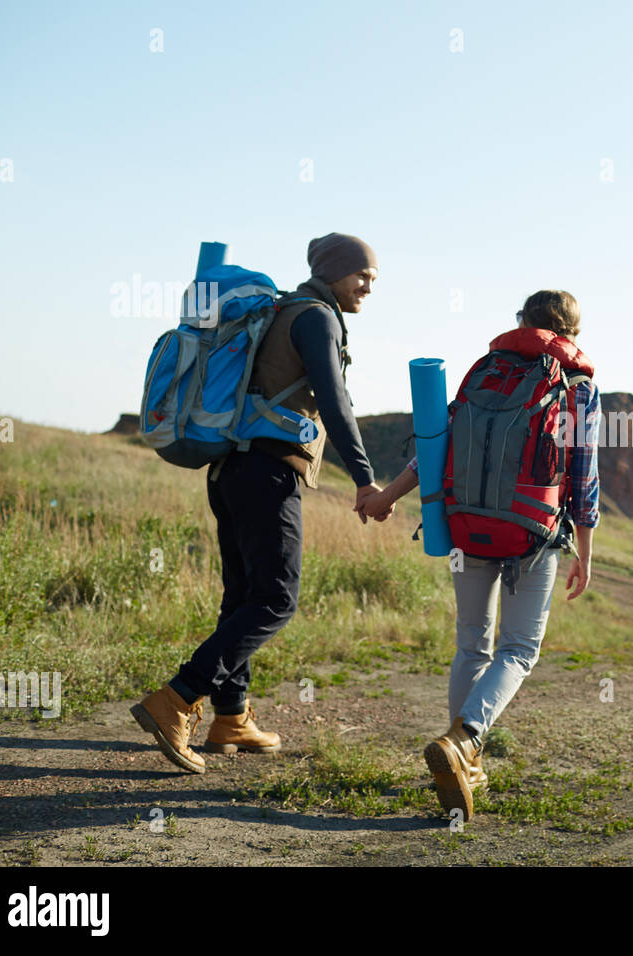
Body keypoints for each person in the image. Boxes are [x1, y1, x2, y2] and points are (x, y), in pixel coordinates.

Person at [131, 233, 385, 774]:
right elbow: (335, 402)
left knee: (243, 595)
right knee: (276, 599)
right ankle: (177, 698)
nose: (368, 285)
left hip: (231, 470)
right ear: (334, 271)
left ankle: (231, 716)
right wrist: (364, 478)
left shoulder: (280, 312)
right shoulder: (316, 316)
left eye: (373, 278)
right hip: (268, 472)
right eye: (362, 274)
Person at [359, 290, 599, 819]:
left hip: (465, 525)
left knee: (472, 644)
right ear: (571, 334)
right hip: (532, 534)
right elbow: (582, 475)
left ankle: (464, 757)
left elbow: (435, 446)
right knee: (518, 649)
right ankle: (464, 742)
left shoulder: (486, 369)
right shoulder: (577, 385)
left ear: (522, 322)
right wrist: (585, 549)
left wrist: (385, 498)